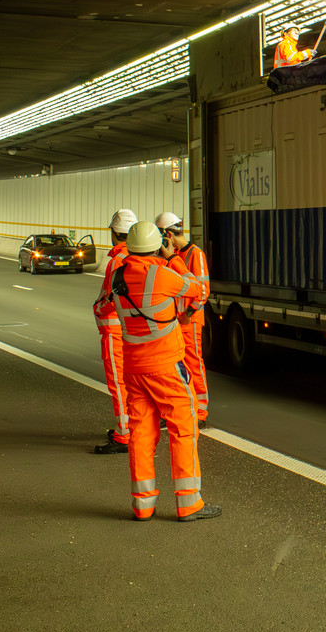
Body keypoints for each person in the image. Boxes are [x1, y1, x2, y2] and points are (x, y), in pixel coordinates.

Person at [113, 221, 220, 522]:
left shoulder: (117, 276)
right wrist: (172, 257)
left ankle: (143, 505)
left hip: (133, 367)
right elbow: (197, 288)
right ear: (157, 246)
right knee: (183, 428)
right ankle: (189, 503)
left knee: (140, 434)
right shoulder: (162, 275)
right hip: (165, 366)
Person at [155, 211, 210, 426]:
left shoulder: (195, 254)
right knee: (177, 368)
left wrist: (188, 314)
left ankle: (200, 411)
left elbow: (203, 291)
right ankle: (181, 410)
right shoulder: (173, 254)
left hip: (189, 321)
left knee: (194, 364)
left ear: (168, 234)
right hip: (175, 321)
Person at [93, 208, 137, 455]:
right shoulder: (138, 257)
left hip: (114, 329)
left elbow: (111, 298)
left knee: (118, 383)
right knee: (133, 383)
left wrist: (98, 308)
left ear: (114, 232)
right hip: (134, 329)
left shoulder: (116, 261)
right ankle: (133, 429)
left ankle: (123, 435)